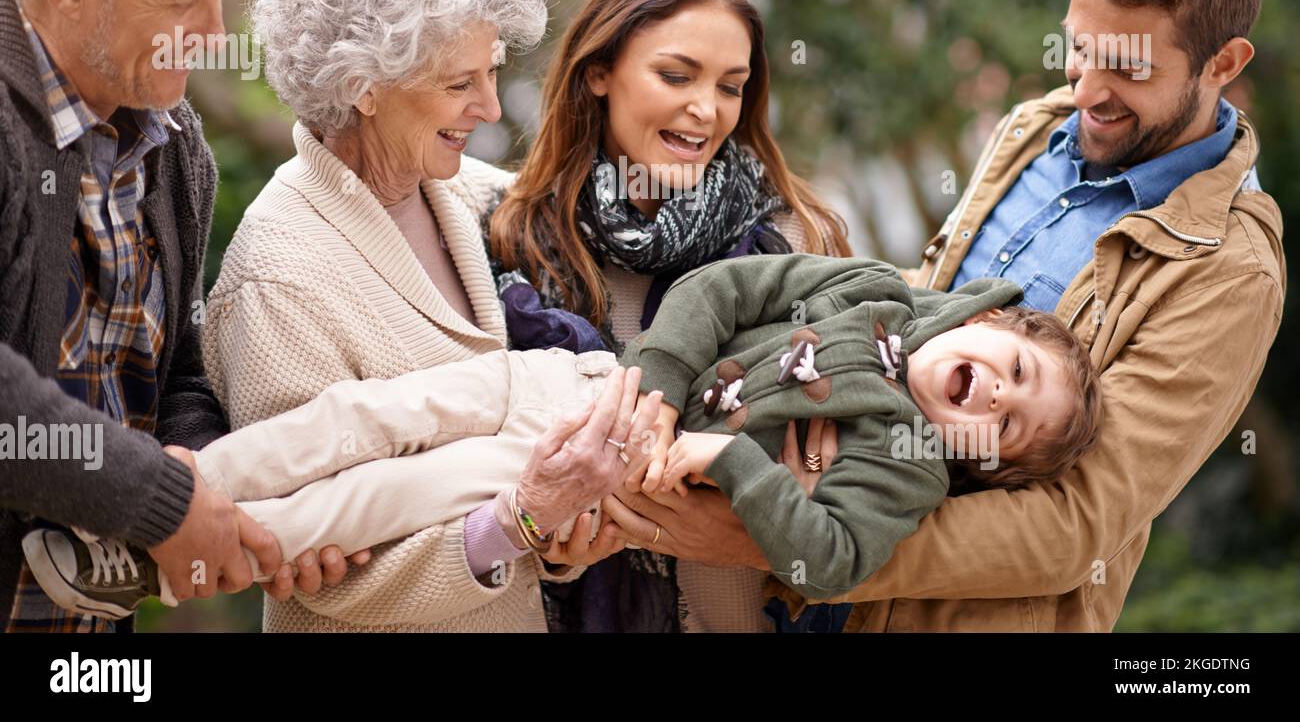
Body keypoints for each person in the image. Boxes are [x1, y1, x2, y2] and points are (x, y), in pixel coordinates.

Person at [608, 0, 1287, 633]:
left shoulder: (1232, 271)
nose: (1086, 88)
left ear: (1223, 62)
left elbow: (1073, 529)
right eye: (1080, 48)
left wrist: (788, 537)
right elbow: (931, 311)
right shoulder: (1036, 128)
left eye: (1129, 70)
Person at [27, 252, 1103, 620]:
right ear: (985, 323)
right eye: (1008, 369)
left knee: (389, 498)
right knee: (372, 415)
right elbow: (726, 290)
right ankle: (165, 487)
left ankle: (143, 563)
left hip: (591, 477)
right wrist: (659, 382)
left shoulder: (899, 477)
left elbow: (826, 560)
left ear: (981, 464)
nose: (989, 397)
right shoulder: (871, 291)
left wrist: (730, 460)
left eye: (1003, 428)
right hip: (582, 385)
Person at [163, 0, 641, 633]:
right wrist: (519, 523)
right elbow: (317, 569)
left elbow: (519, 473)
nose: (488, 106)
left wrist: (556, 532)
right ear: (364, 88)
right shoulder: (279, 273)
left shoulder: (477, 196)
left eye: (491, 73)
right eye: (460, 83)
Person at [485, 0, 852, 631]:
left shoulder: (796, 239)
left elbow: (851, 469)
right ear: (599, 72)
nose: (706, 111)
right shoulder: (520, 248)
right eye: (676, 76)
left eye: (729, 86)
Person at [0, 0, 293, 632]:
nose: (212, 31)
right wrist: (162, 500)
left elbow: (182, 372)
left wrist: (211, 480)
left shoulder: (175, 146)